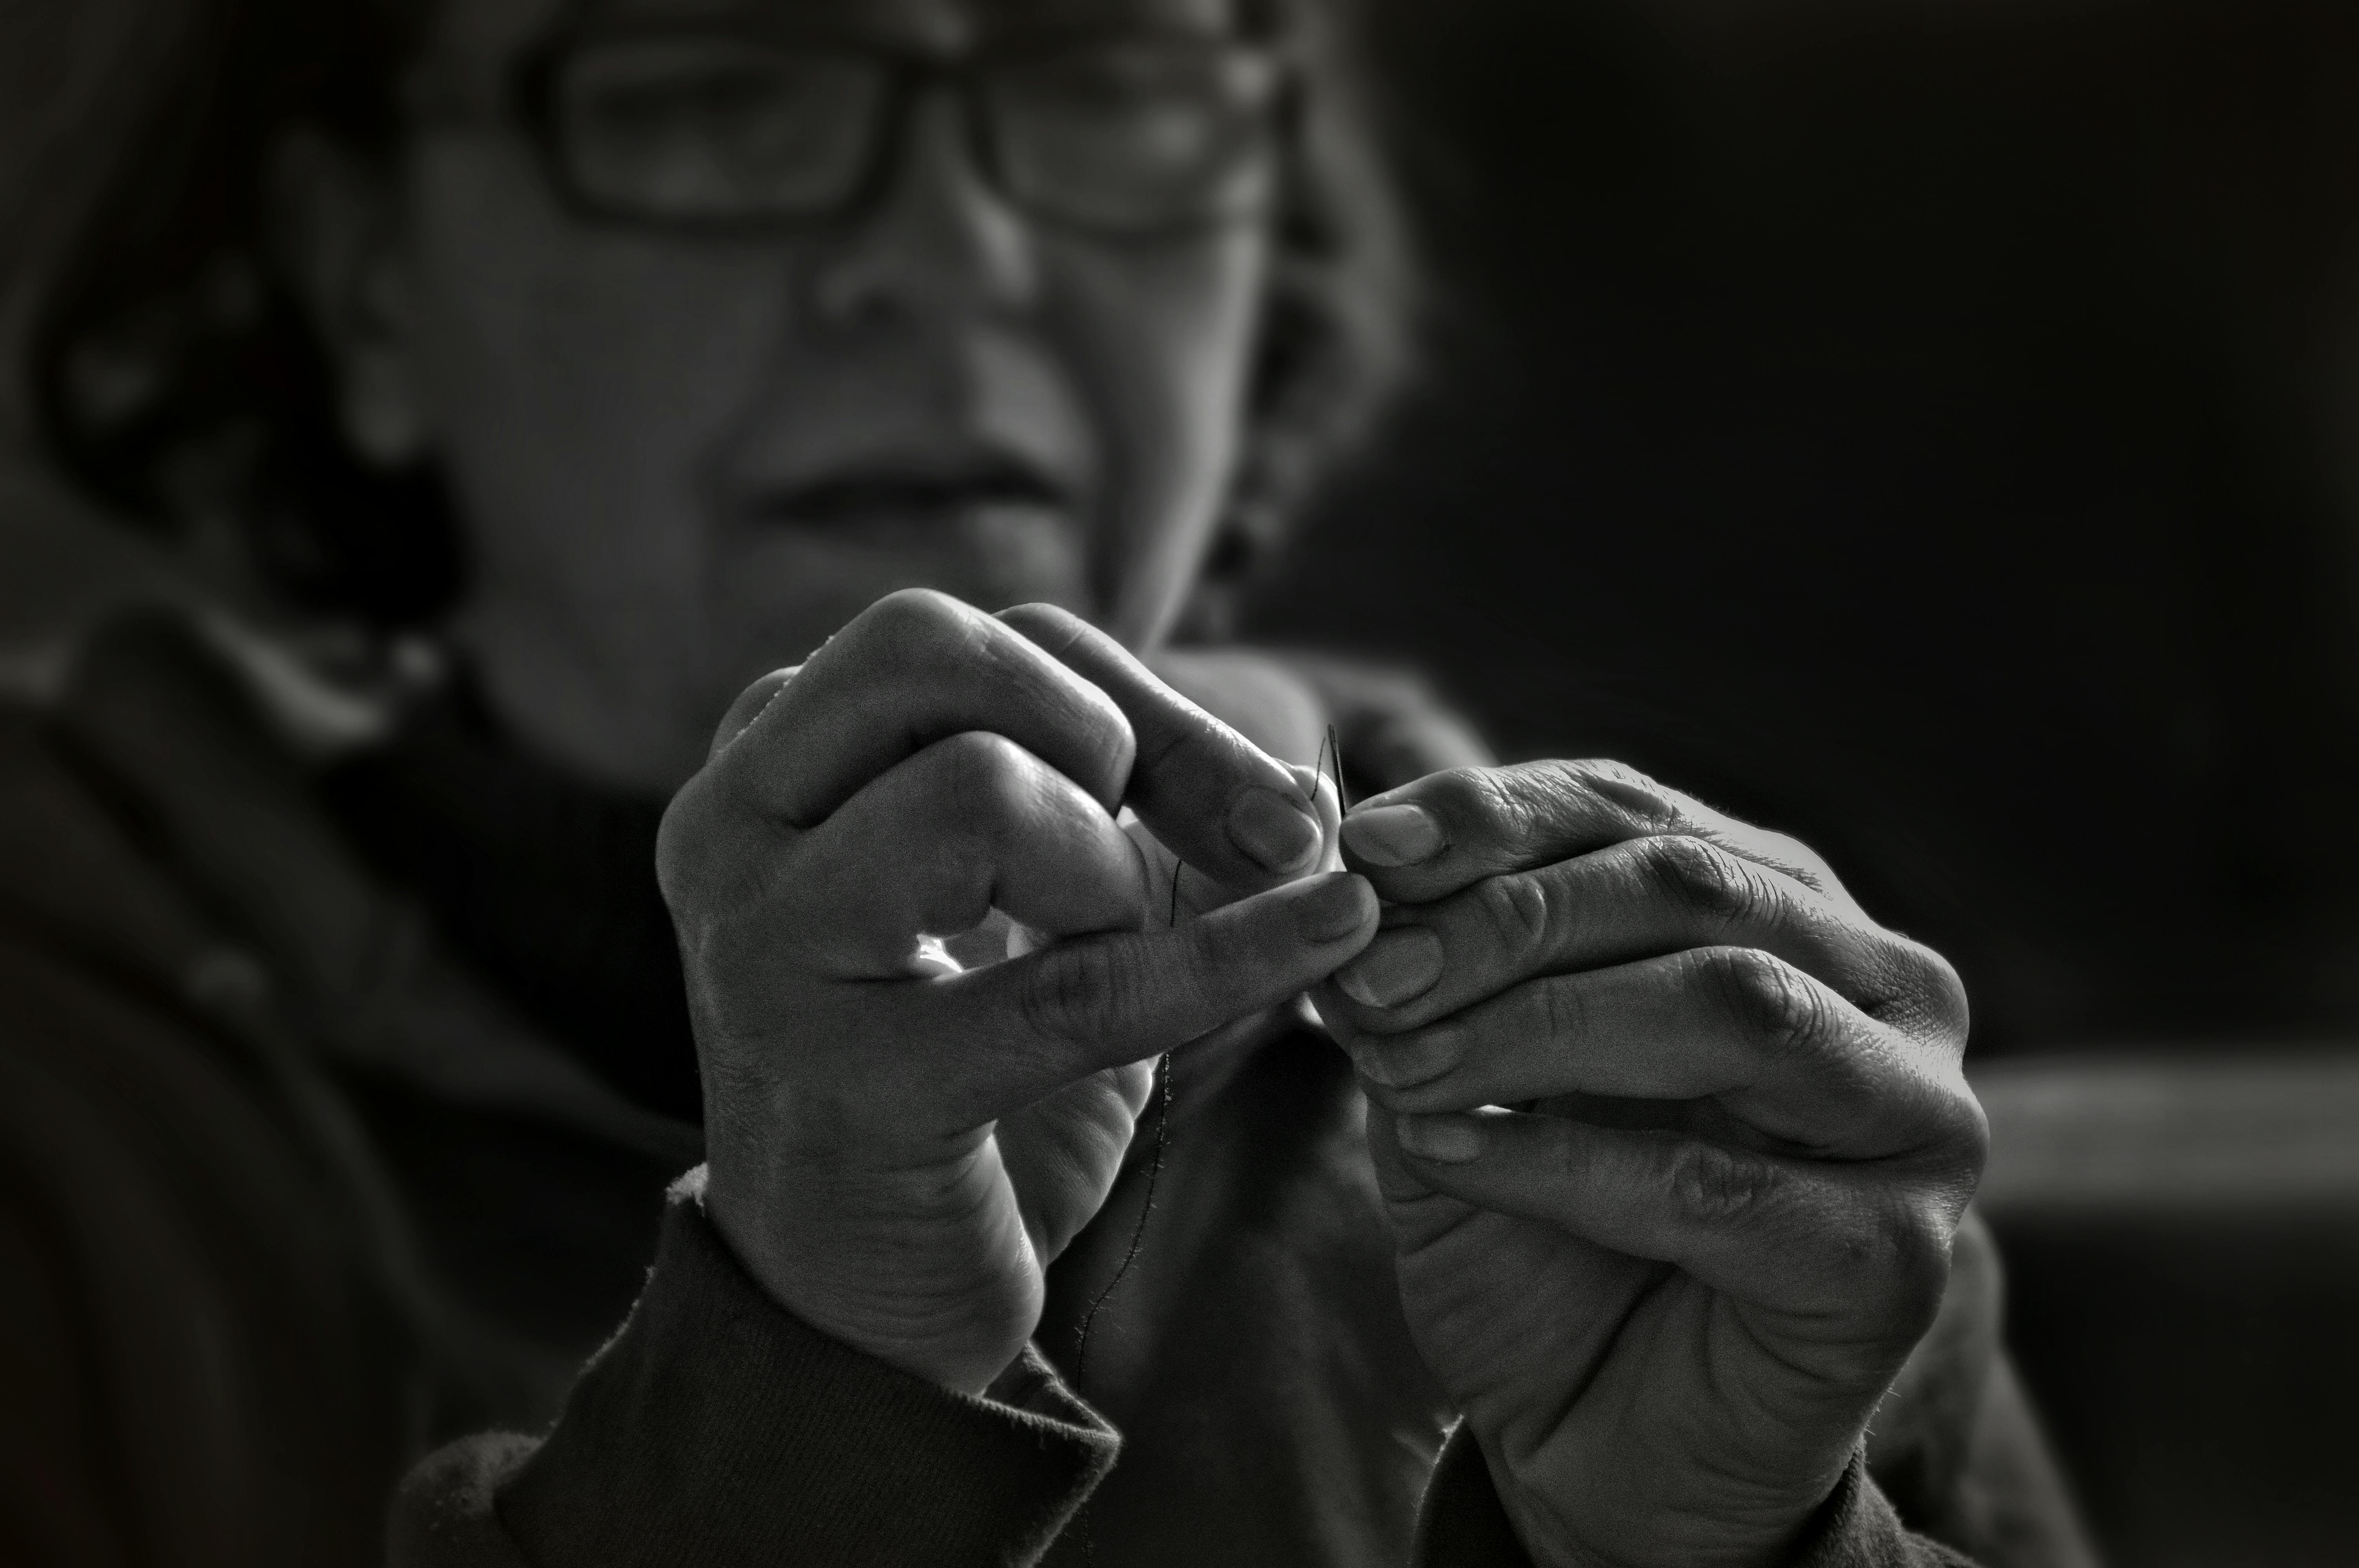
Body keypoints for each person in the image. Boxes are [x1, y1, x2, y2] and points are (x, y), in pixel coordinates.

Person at [0, 0, 2095, 1563]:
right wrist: (805, 1389)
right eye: (718, 89)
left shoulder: (1690, 1112)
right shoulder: (69, 1108)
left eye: (1110, 73)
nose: (959, 258)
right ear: (359, 272)